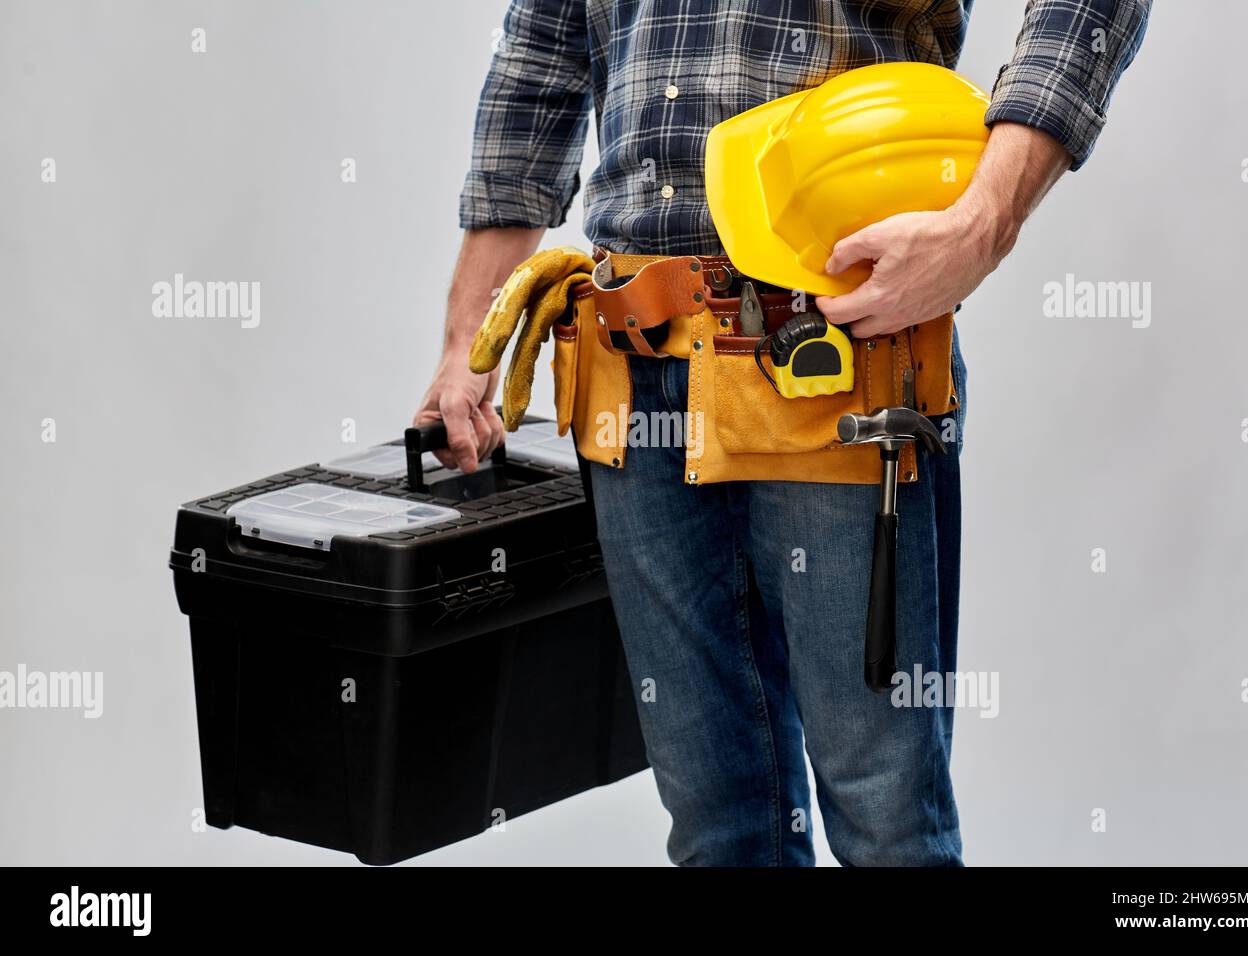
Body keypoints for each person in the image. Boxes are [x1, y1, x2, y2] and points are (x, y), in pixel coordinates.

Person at [414, 0, 1150, 866]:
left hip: (838, 359)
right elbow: (541, 53)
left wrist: (990, 214)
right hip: (629, 369)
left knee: (889, 831)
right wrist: (469, 345)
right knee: (719, 831)